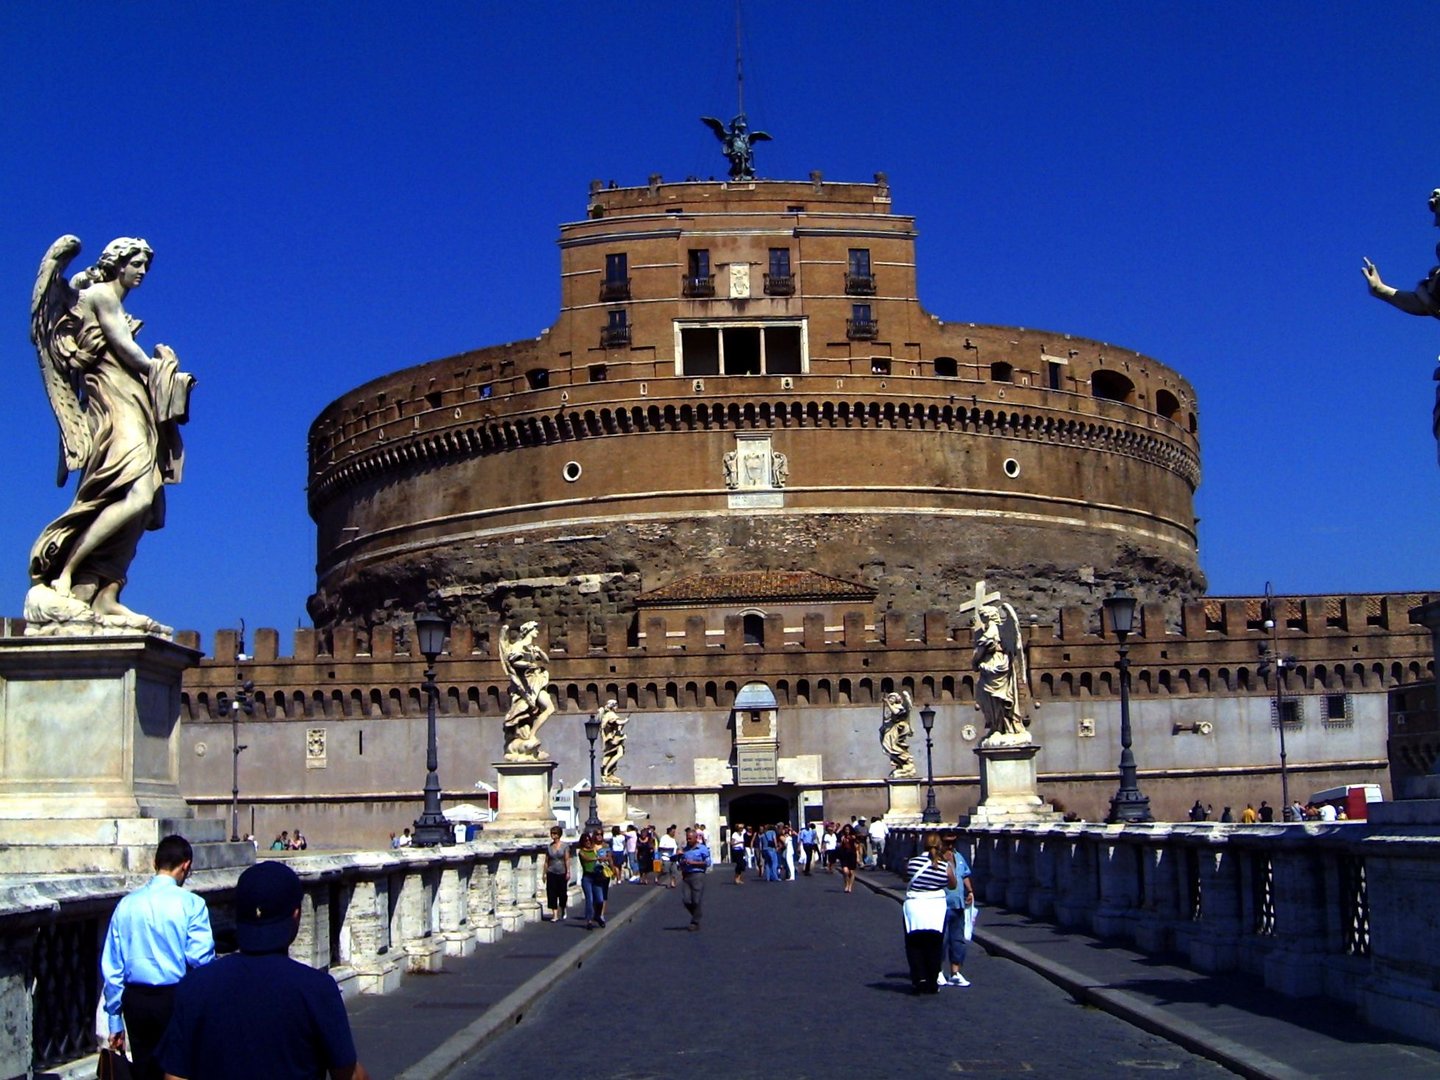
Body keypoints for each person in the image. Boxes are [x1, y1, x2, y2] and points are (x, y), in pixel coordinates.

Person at [27, 236, 195, 635]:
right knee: (134, 491)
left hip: (135, 400)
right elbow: (124, 348)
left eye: (145, 267)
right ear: (118, 262)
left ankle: (105, 593)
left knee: (146, 498)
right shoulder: (100, 296)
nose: (141, 273)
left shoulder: (112, 301)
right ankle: (67, 572)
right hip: (114, 403)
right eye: (137, 264)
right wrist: (165, 366)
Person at [156, 861, 370, 1080]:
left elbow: (175, 1075)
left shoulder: (194, 986)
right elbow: (348, 1074)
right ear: (295, 915)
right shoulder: (316, 988)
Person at [100, 834, 214, 1080]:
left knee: (143, 1071)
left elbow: (113, 967)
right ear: (186, 865)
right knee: (178, 1070)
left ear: (156, 862)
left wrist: (114, 1019)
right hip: (175, 997)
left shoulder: (126, 905)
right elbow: (201, 959)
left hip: (135, 1000)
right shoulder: (192, 904)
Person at [902, 836, 956, 994]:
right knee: (934, 944)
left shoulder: (913, 862)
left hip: (915, 905)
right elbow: (952, 885)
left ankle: (919, 978)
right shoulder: (944, 865)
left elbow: (905, 878)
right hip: (936, 907)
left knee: (914, 943)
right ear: (940, 846)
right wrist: (949, 864)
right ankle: (932, 981)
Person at [939, 835, 976, 988]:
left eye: (953, 842)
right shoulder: (936, 859)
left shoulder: (958, 856)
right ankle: (938, 971)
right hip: (942, 905)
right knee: (942, 940)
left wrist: (970, 891)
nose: (950, 845)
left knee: (958, 940)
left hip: (958, 905)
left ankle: (955, 973)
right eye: (947, 842)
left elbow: (965, 874)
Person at [576, 830, 613, 928]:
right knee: (590, 899)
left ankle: (597, 915)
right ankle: (589, 920)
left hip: (597, 877)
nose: (588, 842)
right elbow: (586, 859)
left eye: (589, 840)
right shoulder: (582, 852)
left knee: (600, 900)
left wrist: (606, 860)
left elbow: (605, 855)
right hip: (587, 878)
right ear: (583, 842)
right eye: (586, 841)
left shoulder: (594, 850)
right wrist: (597, 859)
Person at [678, 827, 712, 931]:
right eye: (687, 838)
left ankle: (695, 922)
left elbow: (708, 863)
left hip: (698, 874)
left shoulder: (702, 849)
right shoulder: (685, 849)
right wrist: (680, 859)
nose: (688, 840)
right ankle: (697, 915)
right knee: (686, 900)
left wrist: (694, 863)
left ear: (696, 838)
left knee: (696, 900)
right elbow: (680, 862)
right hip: (686, 875)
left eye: (690, 839)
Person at [544, 825, 571, 923]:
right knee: (551, 893)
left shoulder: (564, 846)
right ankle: (554, 914)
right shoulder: (549, 847)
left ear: (559, 834)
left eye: (555, 833)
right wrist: (544, 873)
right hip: (551, 871)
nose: (553, 835)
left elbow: (567, 859)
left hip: (562, 872)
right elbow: (547, 861)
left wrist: (568, 871)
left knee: (562, 893)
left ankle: (563, 907)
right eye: (552, 833)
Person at [835, 823, 860, 893]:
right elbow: (839, 846)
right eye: (846, 830)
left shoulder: (853, 838)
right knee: (845, 871)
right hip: (844, 855)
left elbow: (857, 848)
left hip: (852, 855)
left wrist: (858, 857)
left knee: (851, 872)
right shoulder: (842, 837)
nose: (847, 831)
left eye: (848, 830)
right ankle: (846, 884)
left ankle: (850, 886)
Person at [657, 824, 679, 888]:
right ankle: (658, 877)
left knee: (674, 871)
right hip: (666, 857)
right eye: (673, 832)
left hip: (673, 857)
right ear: (669, 832)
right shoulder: (664, 838)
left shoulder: (673, 839)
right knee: (665, 871)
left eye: (674, 832)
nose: (674, 833)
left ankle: (672, 882)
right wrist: (669, 849)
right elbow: (660, 848)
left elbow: (675, 847)